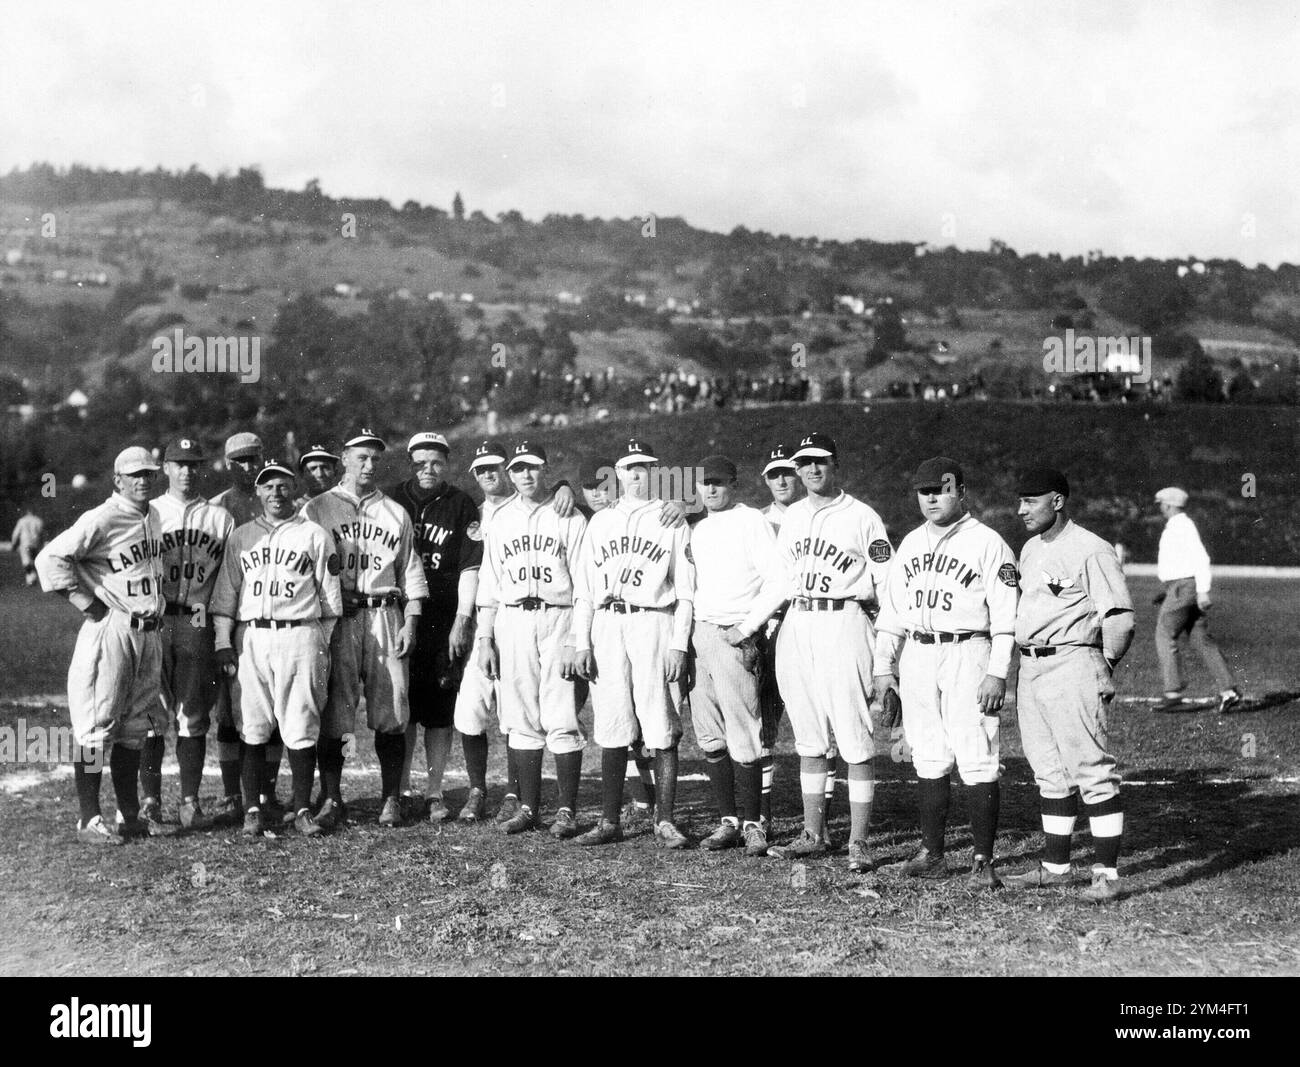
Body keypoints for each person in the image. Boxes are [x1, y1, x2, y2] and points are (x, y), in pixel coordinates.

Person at [734, 433, 891, 872]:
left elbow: (887, 580)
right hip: (798, 622)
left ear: (834, 464)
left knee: (854, 736)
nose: (812, 471)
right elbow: (781, 582)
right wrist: (746, 627)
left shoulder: (862, 516)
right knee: (809, 737)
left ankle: (859, 841)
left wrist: (888, 648)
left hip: (845, 621)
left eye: (820, 462)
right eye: (804, 464)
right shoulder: (794, 519)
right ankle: (813, 833)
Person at [872, 457, 1019, 888]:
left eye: (941, 489)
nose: (932, 498)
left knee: (976, 755)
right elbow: (893, 612)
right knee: (929, 753)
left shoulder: (989, 543)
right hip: (918, 654)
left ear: (961, 492)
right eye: (924, 491)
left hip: (968, 651)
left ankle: (982, 861)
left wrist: (997, 672)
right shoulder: (912, 543)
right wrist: (884, 667)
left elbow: (1007, 618)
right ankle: (933, 853)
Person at [1001, 468, 1135, 903]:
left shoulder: (1091, 548)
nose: (1021, 510)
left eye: (1031, 501)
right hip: (1032, 668)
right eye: (1020, 501)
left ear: (1057, 501)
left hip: (1074, 660)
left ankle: (1106, 875)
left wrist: (1101, 664)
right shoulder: (1030, 548)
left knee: (1092, 770)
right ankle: (1056, 868)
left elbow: (1120, 618)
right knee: (1050, 774)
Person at [34, 446, 167, 845]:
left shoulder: (154, 514)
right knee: (97, 725)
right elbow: (50, 559)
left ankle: (128, 814)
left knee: (133, 728)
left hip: (148, 631)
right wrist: (86, 604)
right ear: (118, 481)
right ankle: (89, 818)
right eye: (135, 474)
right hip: (112, 628)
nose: (143, 479)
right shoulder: (104, 516)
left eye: (148, 473)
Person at [570, 438, 695, 848]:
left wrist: (679, 643)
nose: (637, 474)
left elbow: (686, 590)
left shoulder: (670, 518)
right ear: (617, 474)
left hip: (653, 621)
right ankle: (609, 821)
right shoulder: (600, 522)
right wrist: (581, 642)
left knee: (659, 720)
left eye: (644, 467)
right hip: (608, 623)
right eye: (629, 468)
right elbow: (585, 591)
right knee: (611, 719)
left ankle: (665, 819)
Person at [304, 429, 429, 828]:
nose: (369, 465)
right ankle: (332, 797)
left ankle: (391, 797)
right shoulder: (317, 509)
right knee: (335, 711)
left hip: (385, 612)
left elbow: (411, 572)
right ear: (343, 458)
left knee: (392, 707)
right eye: (361, 457)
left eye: (375, 458)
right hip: (338, 615)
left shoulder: (394, 512)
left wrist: (411, 621)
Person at [211, 461, 342, 837]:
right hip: (252, 637)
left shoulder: (314, 534)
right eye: (267, 487)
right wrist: (223, 643)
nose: (276, 493)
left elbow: (331, 602)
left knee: (301, 724)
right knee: (253, 724)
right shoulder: (241, 537)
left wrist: (319, 644)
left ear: (293, 488)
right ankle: (253, 808)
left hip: (301, 634)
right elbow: (225, 597)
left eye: (283, 486)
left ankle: (301, 809)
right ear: (257, 493)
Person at [476, 443, 588, 837]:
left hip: (558, 616)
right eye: (519, 469)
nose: (526, 475)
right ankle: (527, 807)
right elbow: (488, 584)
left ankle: (567, 810)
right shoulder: (500, 519)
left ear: (546, 470)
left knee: (560, 713)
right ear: (510, 473)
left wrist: (578, 636)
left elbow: (583, 584)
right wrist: (485, 636)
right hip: (513, 618)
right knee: (520, 714)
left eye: (533, 468)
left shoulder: (569, 516)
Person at [688, 454, 783, 855]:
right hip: (702, 633)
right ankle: (728, 820)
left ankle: (753, 823)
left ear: (734, 484)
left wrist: (745, 629)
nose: (711, 489)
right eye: (704, 483)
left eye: (719, 482)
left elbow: (779, 581)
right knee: (709, 732)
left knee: (744, 731)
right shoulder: (699, 529)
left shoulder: (751, 521)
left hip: (734, 633)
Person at [388, 433, 484, 823]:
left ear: (447, 464)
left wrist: (462, 619)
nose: (428, 469)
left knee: (439, 708)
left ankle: (434, 789)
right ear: (410, 462)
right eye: (420, 462)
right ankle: (404, 789)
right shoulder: (392, 500)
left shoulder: (459, 504)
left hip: (442, 617)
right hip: (399, 616)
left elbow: (469, 567)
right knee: (402, 706)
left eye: (436, 462)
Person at [140, 437, 234, 833]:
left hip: (197, 618)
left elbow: (228, 579)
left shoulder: (219, 517)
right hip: (156, 618)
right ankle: (149, 803)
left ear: (202, 468)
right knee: (149, 714)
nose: (187, 471)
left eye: (194, 464)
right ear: (165, 468)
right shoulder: (148, 513)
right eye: (179, 464)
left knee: (192, 715)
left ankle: (190, 802)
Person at [209, 432, 275, 818]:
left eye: (254, 459)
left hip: (269, 614)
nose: (248, 467)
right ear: (227, 463)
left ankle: (266, 792)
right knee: (228, 711)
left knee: (271, 707)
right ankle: (232, 792)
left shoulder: (282, 501)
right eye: (240, 461)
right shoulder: (219, 508)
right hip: (228, 615)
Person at [1153, 487, 1241, 712]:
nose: (1160, 508)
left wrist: (1201, 591)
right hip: (1181, 588)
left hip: (1184, 587)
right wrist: (1171, 590)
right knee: (1201, 639)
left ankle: (1172, 692)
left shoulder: (1181, 526)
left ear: (1170, 505)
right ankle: (1228, 690)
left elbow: (1201, 558)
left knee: (1164, 634)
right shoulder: (1179, 526)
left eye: (1161, 503)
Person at [295, 444, 340, 509]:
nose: (320, 474)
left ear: (335, 472)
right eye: (313, 469)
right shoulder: (296, 509)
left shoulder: (345, 504)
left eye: (325, 468)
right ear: (302, 474)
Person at [10, 506, 46, 585]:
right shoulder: (38, 520)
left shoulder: (22, 521)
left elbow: (16, 533)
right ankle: (33, 578)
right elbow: (41, 534)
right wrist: (42, 545)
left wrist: (13, 544)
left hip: (25, 543)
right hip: (35, 543)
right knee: (35, 561)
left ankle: (31, 578)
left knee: (26, 561)